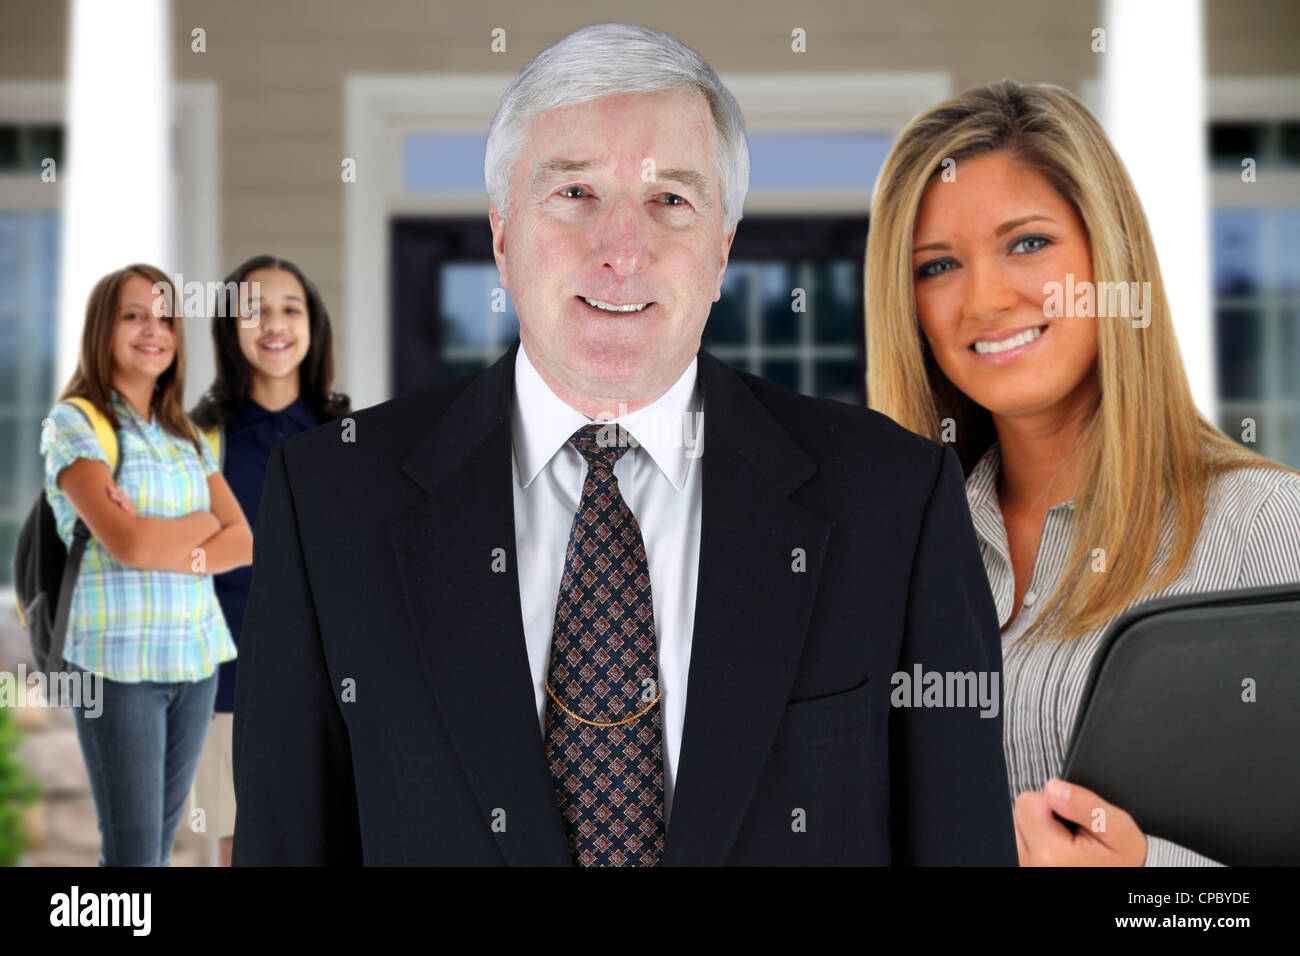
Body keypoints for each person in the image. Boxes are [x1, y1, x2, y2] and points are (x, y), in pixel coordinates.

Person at [231, 23, 1015, 866]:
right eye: (574, 193)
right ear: (502, 236)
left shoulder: (895, 501)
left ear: (721, 252)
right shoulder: (329, 502)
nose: (621, 250)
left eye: (670, 199)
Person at [864, 78, 1300, 866]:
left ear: (1111, 255)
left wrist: (1145, 881)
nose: (986, 299)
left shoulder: (1268, 526)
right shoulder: (886, 554)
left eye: (1027, 243)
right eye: (937, 266)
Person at [40, 263, 252, 866]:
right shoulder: (76, 424)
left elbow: (245, 540)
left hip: (195, 661)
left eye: (164, 318)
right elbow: (130, 545)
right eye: (134, 316)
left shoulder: (185, 435)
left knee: (155, 854)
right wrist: (199, 530)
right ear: (103, 329)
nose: (152, 330)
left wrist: (168, 539)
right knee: (133, 858)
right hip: (119, 667)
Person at [188, 255, 351, 867]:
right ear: (231, 331)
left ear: (313, 326)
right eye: (254, 310)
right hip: (229, 686)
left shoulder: (348, 434)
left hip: (336, 685)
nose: (274, 324)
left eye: (291, 308)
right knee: (241, 850)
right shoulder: (197, 439)